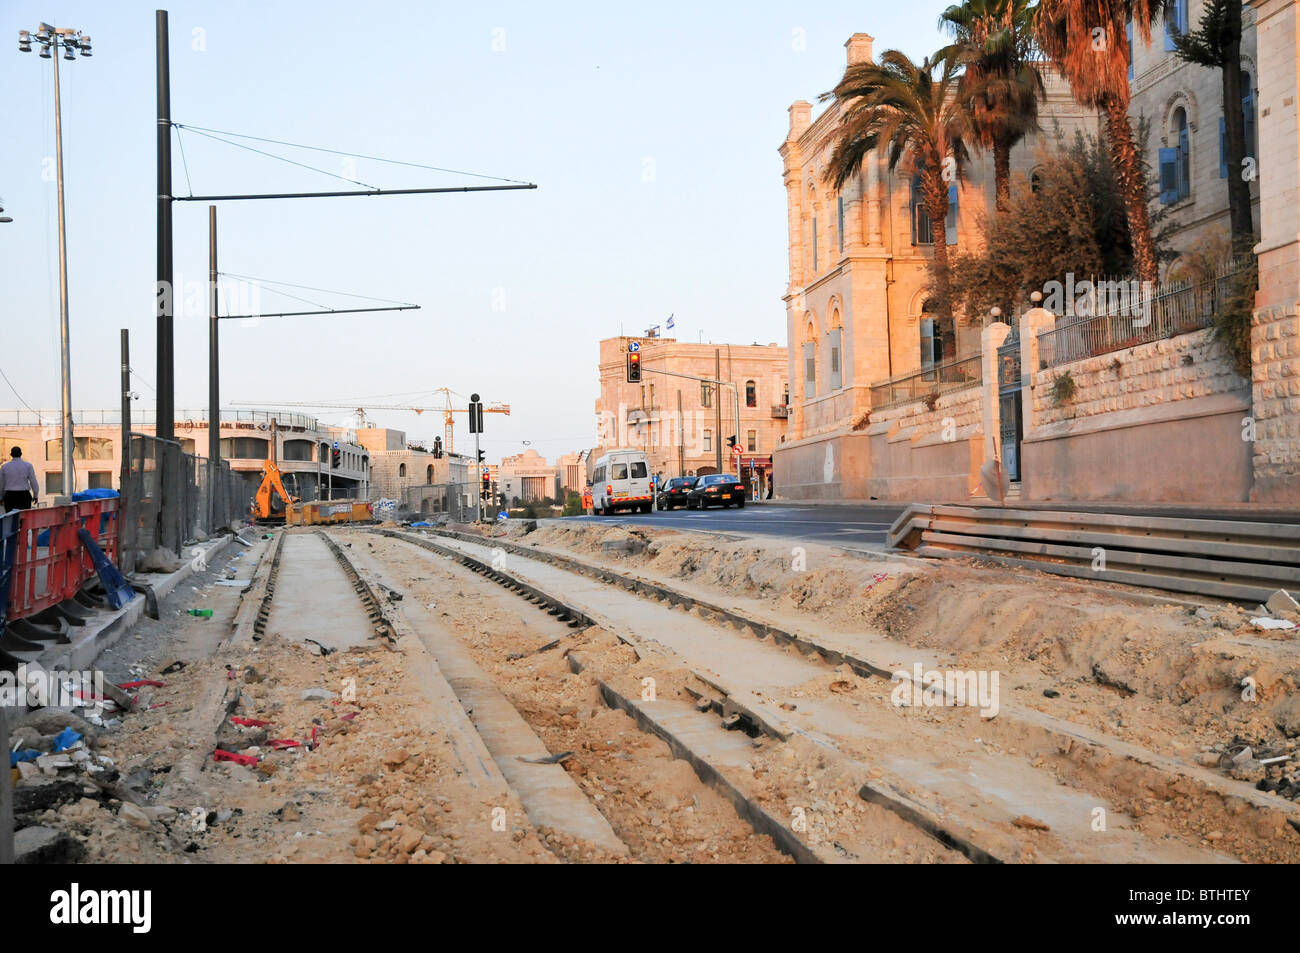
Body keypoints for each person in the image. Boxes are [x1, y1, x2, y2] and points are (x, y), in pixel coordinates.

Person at [1, 446, 39, 512]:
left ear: (11, 455)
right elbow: (33, 482)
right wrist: (35, 495)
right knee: (24, 519)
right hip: (24, 496)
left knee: (11, 519)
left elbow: (1, 483)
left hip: (10, 496)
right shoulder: (28, 465)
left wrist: (1, 497)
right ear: (21, 454)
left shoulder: (4, 467)